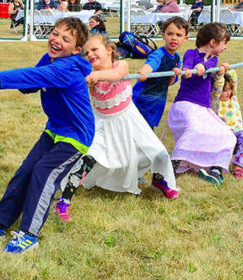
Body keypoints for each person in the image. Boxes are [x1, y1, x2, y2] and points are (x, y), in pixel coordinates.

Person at [0, 17, 93, 254]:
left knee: (43, 175)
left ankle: (29, 234)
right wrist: (23, 84)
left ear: (77, 50)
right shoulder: (50, 59)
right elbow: (33, 81)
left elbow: (34, 76)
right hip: (54, 130)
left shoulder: (68, 68)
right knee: (25, 172)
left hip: (75, 137)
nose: (56, 40)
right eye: (55, 33)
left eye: (65, 39)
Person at [54, 35, 178, 221]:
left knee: (158, 152)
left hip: (129, 120)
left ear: (110, 50)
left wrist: (95, 76)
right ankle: (64, 201)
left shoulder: (120, 66)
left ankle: (159, 180)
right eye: (86, 53)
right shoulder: (89, 75)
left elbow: (117, 76)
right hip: (102, 124)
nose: (90, 55)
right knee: (88, 159)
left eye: (95, 50)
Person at [167, 23, 234, 184]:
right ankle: (172, 166)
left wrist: (213, 68)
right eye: (224, 43)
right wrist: (189, 70)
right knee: (194, 130)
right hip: (186, 104)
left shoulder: (214, 60)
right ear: (213, 43)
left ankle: (215, 169)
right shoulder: (191, 53)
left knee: (227, 135)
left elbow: (209, 65)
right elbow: (188, 65)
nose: (225, 47)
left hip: (203, 109)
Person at [132, 17, 187, 128]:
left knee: (148, 129)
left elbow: (170, 83)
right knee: (137, 128)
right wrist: (143, 72)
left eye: (178, 35)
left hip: (158, 100)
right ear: (163, 35)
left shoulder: (177, 59)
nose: (174, 38)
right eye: (170, 34)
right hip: (143, 98)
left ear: (185, 39)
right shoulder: (159, 54)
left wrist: (173, 74)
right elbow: (152, 64)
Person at [212, 69, 243, 179]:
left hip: (238, 133)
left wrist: (225, 68)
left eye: (229, 90)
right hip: (224, 135)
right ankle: (218, 166)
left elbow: (233, 75)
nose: (227, 93)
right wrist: (219, 75)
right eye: (224, 91)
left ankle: (238, 167)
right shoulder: (215, 102)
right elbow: (217, 87)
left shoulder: (233, 98)